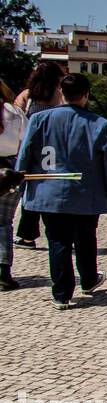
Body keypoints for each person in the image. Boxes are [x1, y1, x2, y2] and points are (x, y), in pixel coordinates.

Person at [15, 73, 107, 309]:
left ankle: (62, 293)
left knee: (58, 240)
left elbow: (26, 152)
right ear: (87, 94)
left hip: (48, 190)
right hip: (86, 192)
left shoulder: (39, 119)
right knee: (86, 237)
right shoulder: (99, 124)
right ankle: (89, 279)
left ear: (61, 92)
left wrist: (20, 180)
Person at [13, 59, 64, 249]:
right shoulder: (58, 96)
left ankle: (27, 235)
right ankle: (57, 233)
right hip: (54, 149)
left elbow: (16, 117)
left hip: (30, 149)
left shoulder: (28, 96)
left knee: (30, 192)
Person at [0, 81, 28, 289]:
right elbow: (24, 142)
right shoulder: (14, 112)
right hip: (8, 170)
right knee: (4, 223)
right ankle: (3, 271)